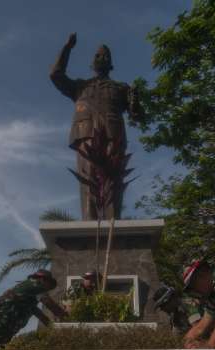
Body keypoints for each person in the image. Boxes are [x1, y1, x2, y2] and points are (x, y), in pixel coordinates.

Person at [50, 33, 144, 219]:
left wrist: (135, 102)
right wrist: (67, 48)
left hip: (112, 135)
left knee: (113, 179)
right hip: (85, 134)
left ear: (111, 64)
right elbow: (55, 75)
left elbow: (138, 116)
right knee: (88, 179)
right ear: (92, 63)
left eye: (106, 56)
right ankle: (90, 222)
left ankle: (111, 221)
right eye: (98, 55)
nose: (101, 58)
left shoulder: (121, 88)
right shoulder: (80, 87)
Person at [0, 269, 59, 350]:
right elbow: (50, 304)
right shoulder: (34, 284)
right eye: (49, 285)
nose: (48, 289)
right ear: (43, 279)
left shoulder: (28, 299)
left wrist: (54, 327)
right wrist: (65, 316)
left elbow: (40, 315)